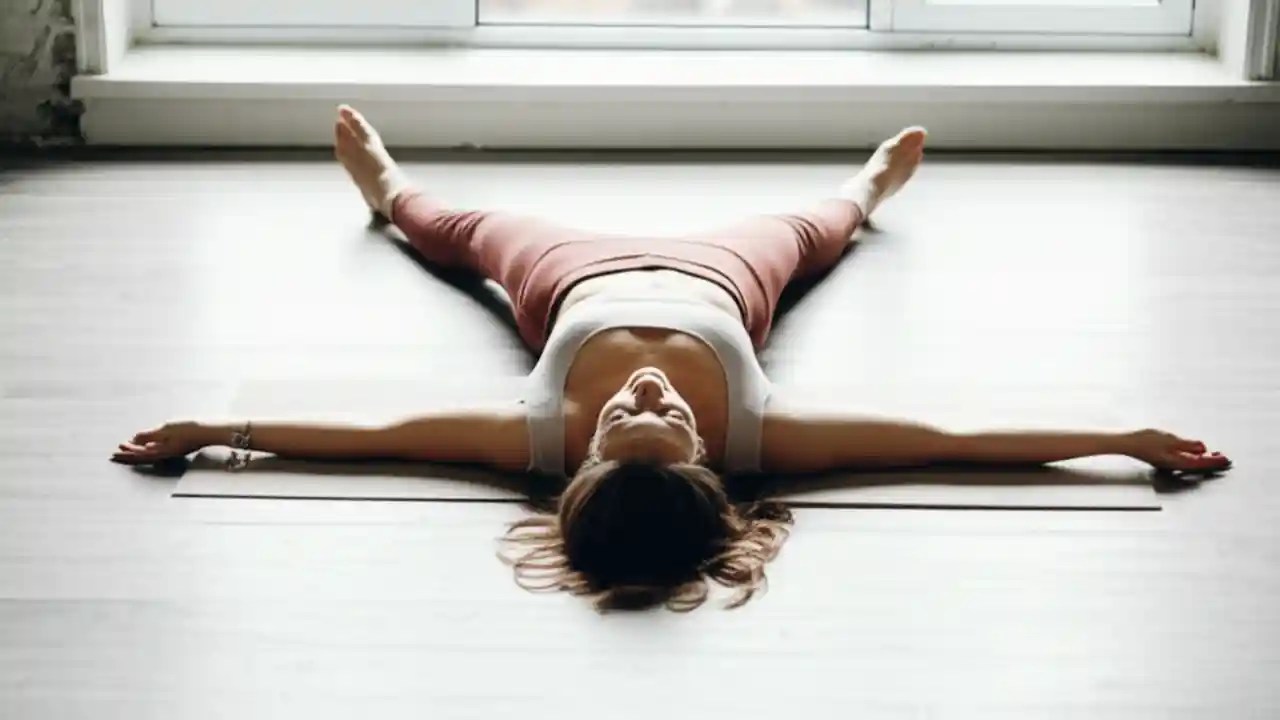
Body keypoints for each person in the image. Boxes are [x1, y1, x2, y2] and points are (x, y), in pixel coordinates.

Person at [112, 106, 1233, 611]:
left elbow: (363, 437)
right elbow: (955, 444)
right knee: (812, 234)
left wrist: (218, 432)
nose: (645, 392)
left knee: (461, 236)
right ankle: (861, 190)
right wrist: (1114, 443)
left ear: (584, 455)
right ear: (708, 455)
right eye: (667, 415)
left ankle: (392, 188)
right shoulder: (761, 438)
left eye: (622, 415)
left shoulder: (534, 436)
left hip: (569, 274)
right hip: (719, 277)